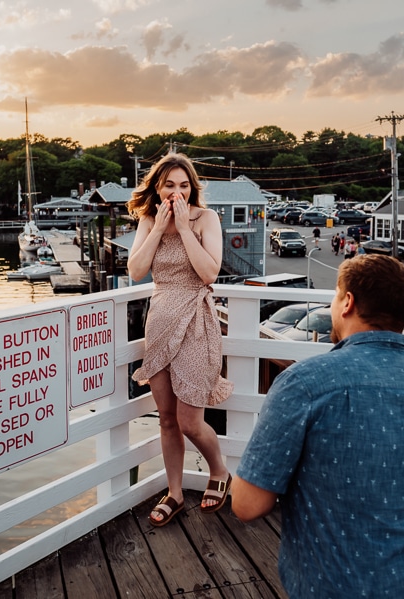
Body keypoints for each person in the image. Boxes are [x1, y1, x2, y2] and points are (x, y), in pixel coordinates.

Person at [231, 255, 404, 598]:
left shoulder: (304, 382)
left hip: (351, 586)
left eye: (335, 296)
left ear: (347, 303)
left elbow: (247, 505)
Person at [126, 153, 234, 527]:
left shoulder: (207, 219)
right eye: (170, 185)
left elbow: (208, 273)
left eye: (184, 185)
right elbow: (137, 271)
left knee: (190, 420)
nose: (177, 192)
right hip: (159, 323)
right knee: (167, 420)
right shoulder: (148, 219)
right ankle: (174, 493)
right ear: (158, 187)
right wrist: (159, 227)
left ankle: (218, 470)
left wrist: (186, 228)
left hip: (196, 323)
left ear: (193, 188)